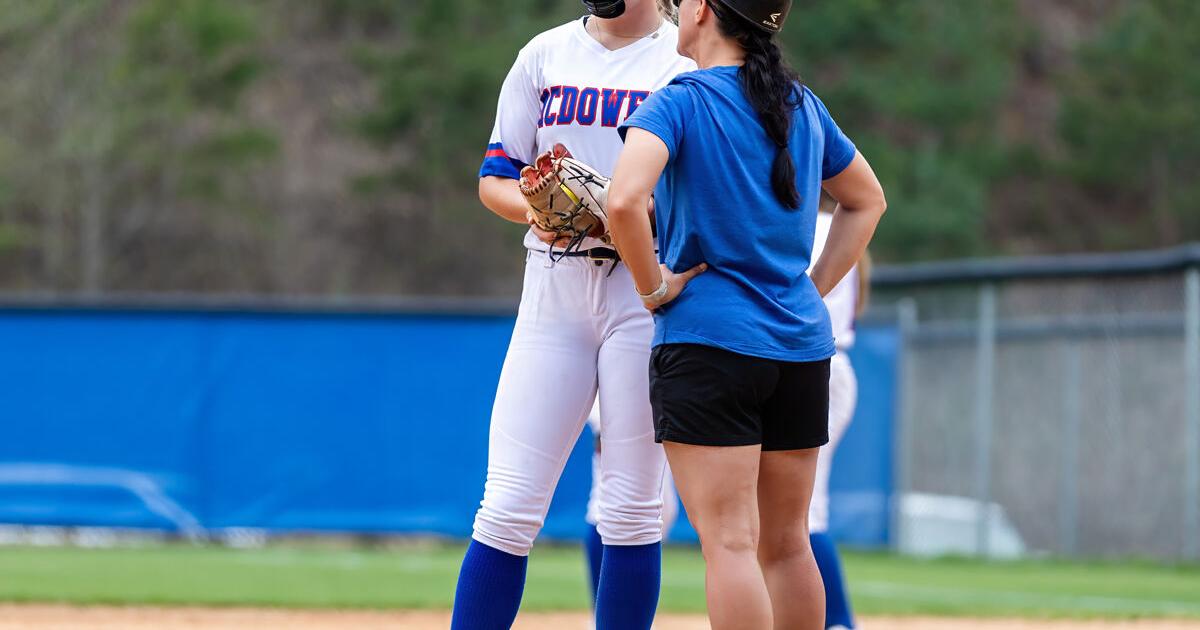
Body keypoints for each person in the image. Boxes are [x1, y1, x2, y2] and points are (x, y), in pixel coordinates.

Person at [603, 0, 887, 627]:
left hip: (709, 342)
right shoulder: (801, 105)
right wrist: (811, 290)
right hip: (800, 349)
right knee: (786, 545)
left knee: (729, 542)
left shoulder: (681, 101)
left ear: (704, 11)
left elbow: (623, 200)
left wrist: (653, 289)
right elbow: (866, 201)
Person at [451, 1, 694, 629]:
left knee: (633, 508)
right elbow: (495, 179)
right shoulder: (544, 54)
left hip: (644, 291)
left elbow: (702, 191)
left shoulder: (683, 60)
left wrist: (632, 222)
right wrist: (542, 210)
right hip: (555, 283)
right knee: (506, 506)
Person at [808, 192, 871, 630]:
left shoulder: (806, 228)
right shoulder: (835, 226)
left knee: (802, 513)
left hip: (815, 368)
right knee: (791, 513)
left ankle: (839, 621)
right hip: (829, 367)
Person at [581, 400, 680, 605]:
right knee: (608, 505)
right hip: (613, 393)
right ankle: (601, 613)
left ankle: (631, 610)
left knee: (665, 509)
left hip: (664, 389)